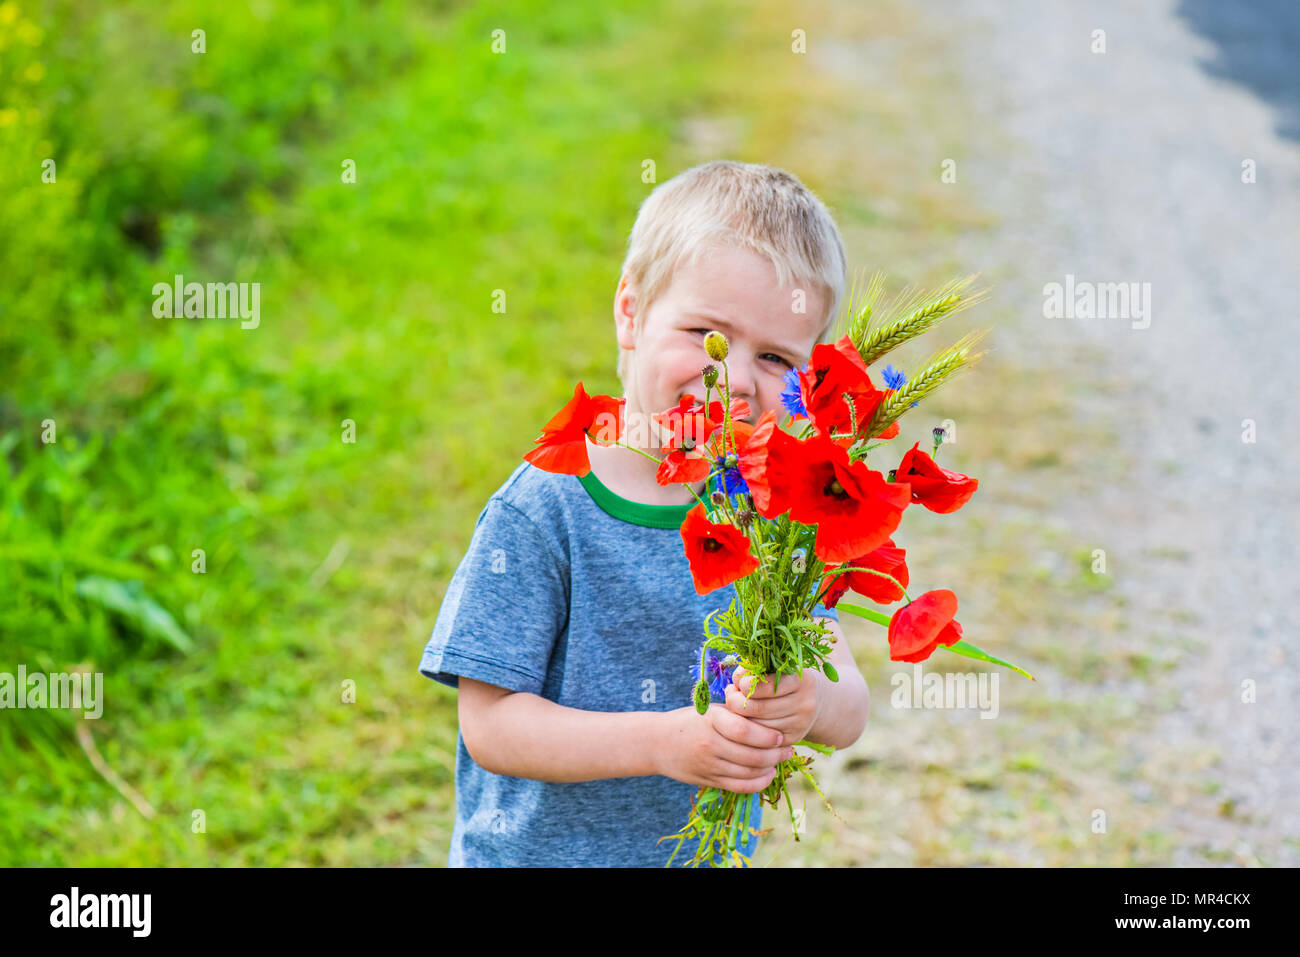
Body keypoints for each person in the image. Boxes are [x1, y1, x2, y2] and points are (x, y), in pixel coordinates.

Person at [419, 160, 872, 866]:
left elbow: (849, 707)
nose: (735, 379)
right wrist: (663, 743)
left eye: (778, 356)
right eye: (705, 334)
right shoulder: (545, 508)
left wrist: (808, 698)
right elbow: (492, 725)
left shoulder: (772, 514)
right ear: (630, 312)